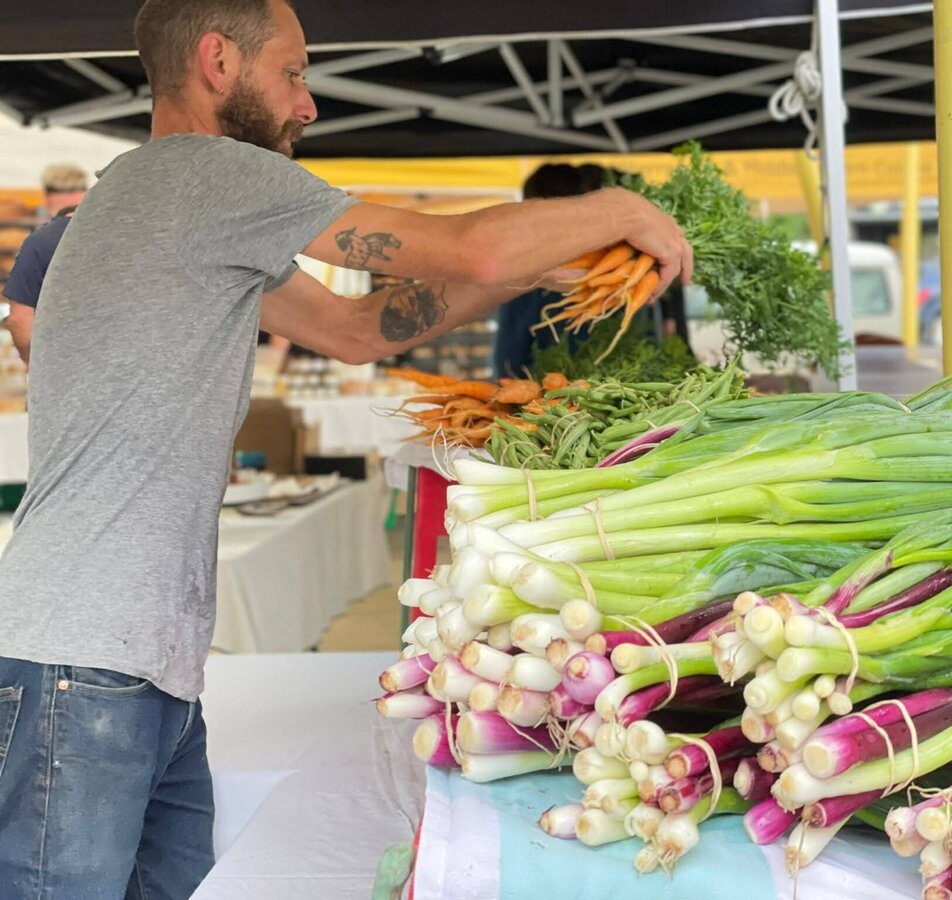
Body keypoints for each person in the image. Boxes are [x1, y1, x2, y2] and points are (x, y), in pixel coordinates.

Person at [0, 2, 691, 898]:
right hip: (83, 668)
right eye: (292, 72)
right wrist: (622, 205)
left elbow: (360, 330)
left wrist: (534, 269)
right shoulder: (205, 173)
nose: (309, 102)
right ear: (217, 60)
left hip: (133, 667)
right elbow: (466, 250)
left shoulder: (162, 197)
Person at [493, 162, 607, 376]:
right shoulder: (620, 266)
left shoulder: (528, 273)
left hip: (549, 398)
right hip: (623, 396)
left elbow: (508, 362)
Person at [1, 165, 89, 363]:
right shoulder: (115, 236)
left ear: (48, 197)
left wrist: (34, 365)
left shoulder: (40, 241)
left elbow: (20, 318)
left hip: (57, 357)